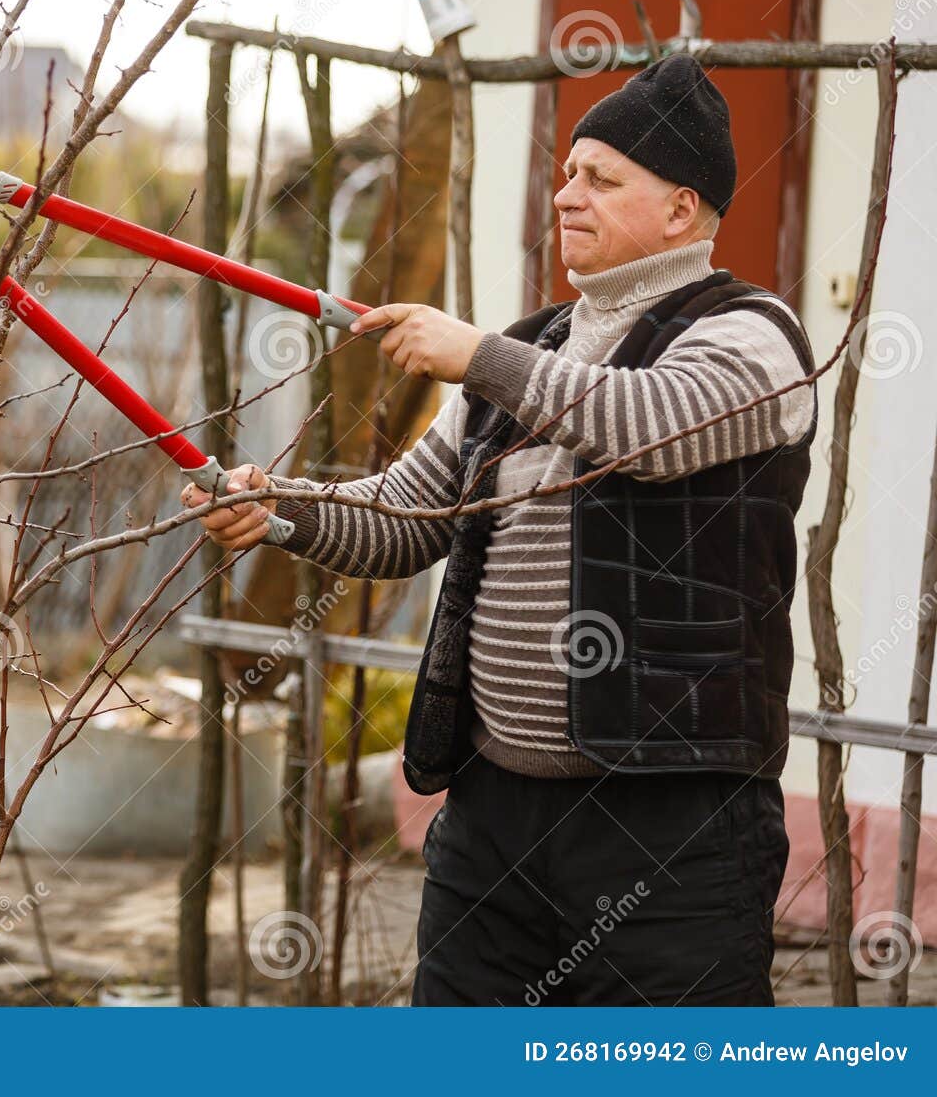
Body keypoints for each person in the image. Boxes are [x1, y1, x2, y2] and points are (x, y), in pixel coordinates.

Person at [181, 54, 815, 1006]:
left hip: (670, 821)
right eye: (568, 173)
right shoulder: (538, 347)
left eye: (603, 179)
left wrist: (480, 355)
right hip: (495, 821)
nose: (569, 196)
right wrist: (280, 510)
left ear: (683, 210)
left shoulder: (751, 333)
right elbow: (405, 517)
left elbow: (652, 428)